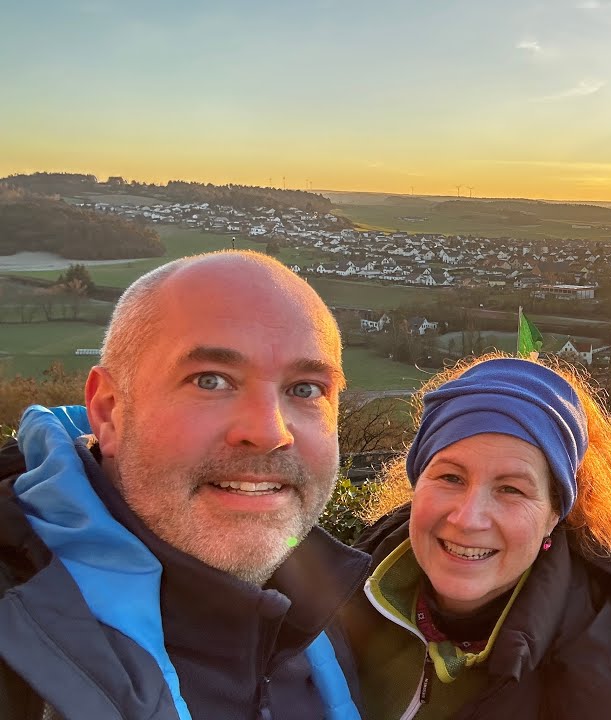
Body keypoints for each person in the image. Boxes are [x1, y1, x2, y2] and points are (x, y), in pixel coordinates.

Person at [0, 251, 370, 720]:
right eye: (211, 380)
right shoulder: (19, 633)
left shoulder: (332, 605)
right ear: (110, 411)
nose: (271, 431)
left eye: (306, 389)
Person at [345, 353, 611, 720]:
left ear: (553, 516)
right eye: (450, 478)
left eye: (511, 489)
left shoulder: (601, 684)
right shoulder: (337, 585)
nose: (468, 519)